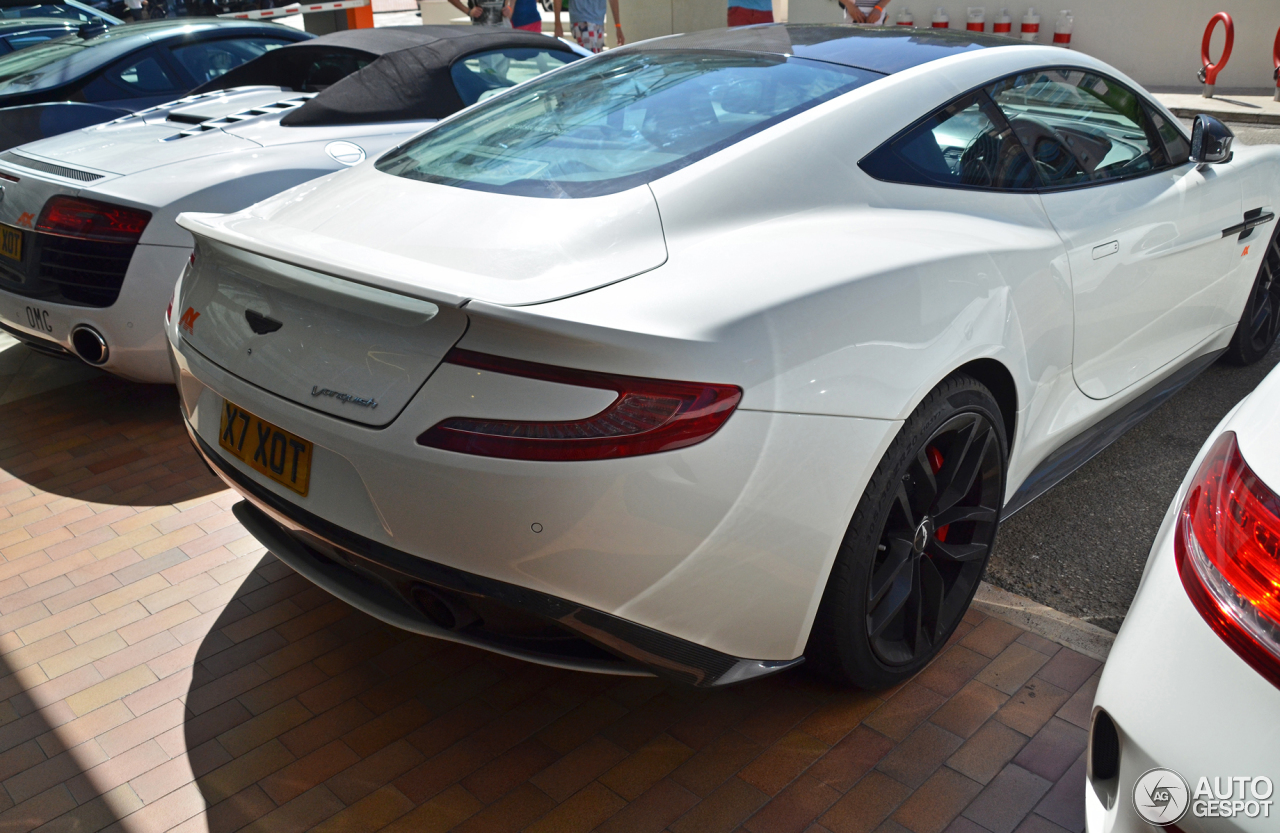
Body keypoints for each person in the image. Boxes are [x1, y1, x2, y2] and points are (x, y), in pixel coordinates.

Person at [553, 0, 623, 54]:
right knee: (591, 60)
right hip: (583, 20)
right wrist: (557, 23)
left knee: (596, 60)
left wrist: (618, 26)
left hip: (599, 21)